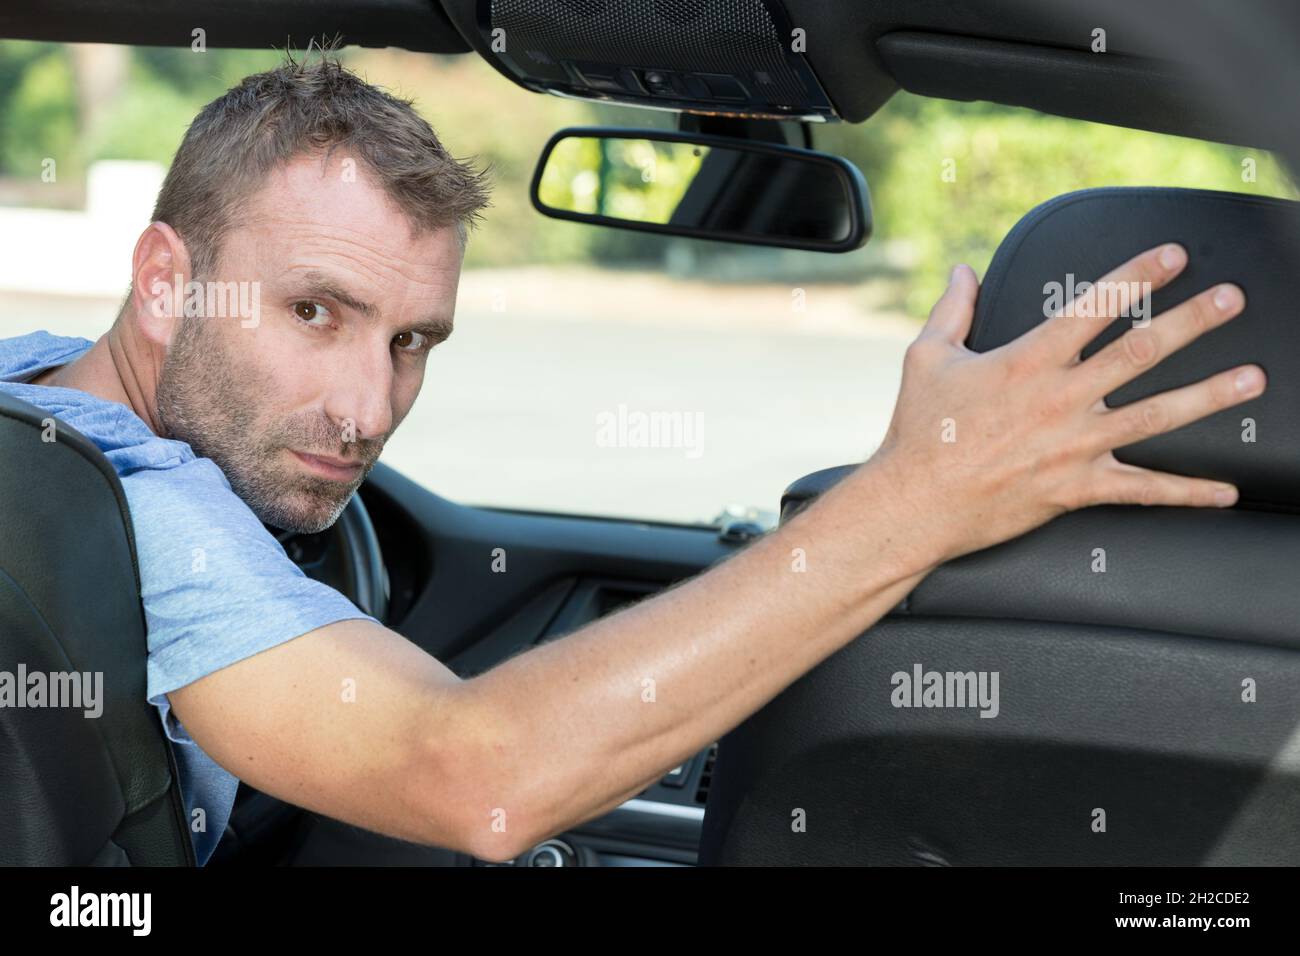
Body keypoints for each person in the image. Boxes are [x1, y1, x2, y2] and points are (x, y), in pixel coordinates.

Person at [0, 55, 1265, 865]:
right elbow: (477, 773)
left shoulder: (35, 382)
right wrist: (922, 491)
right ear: (166, 282)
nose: (367, 407)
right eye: (314, 313)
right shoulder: (145, 513)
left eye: (413, 341)